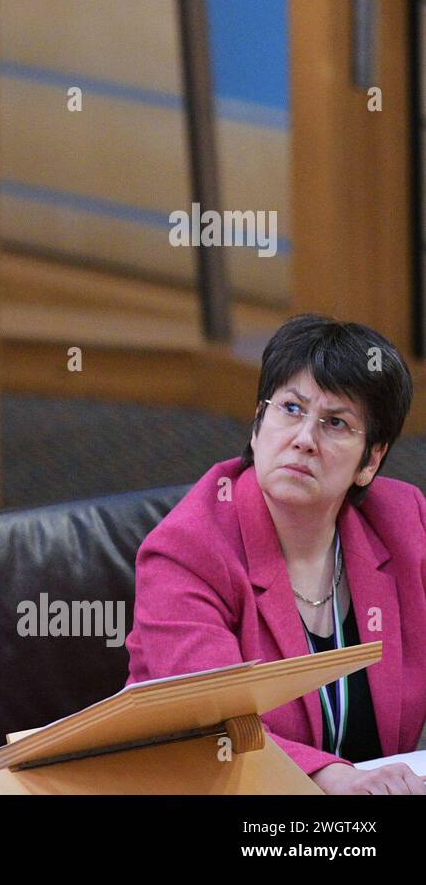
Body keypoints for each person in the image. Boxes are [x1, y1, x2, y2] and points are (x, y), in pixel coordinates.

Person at [126, 314, 426, 794]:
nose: (305, 439)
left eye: (335, 423)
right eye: (290, 408)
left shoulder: (404, 521)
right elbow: (217, 729)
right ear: (257, 424)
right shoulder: (187, 551)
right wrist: (336, 778)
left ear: (370, 461)